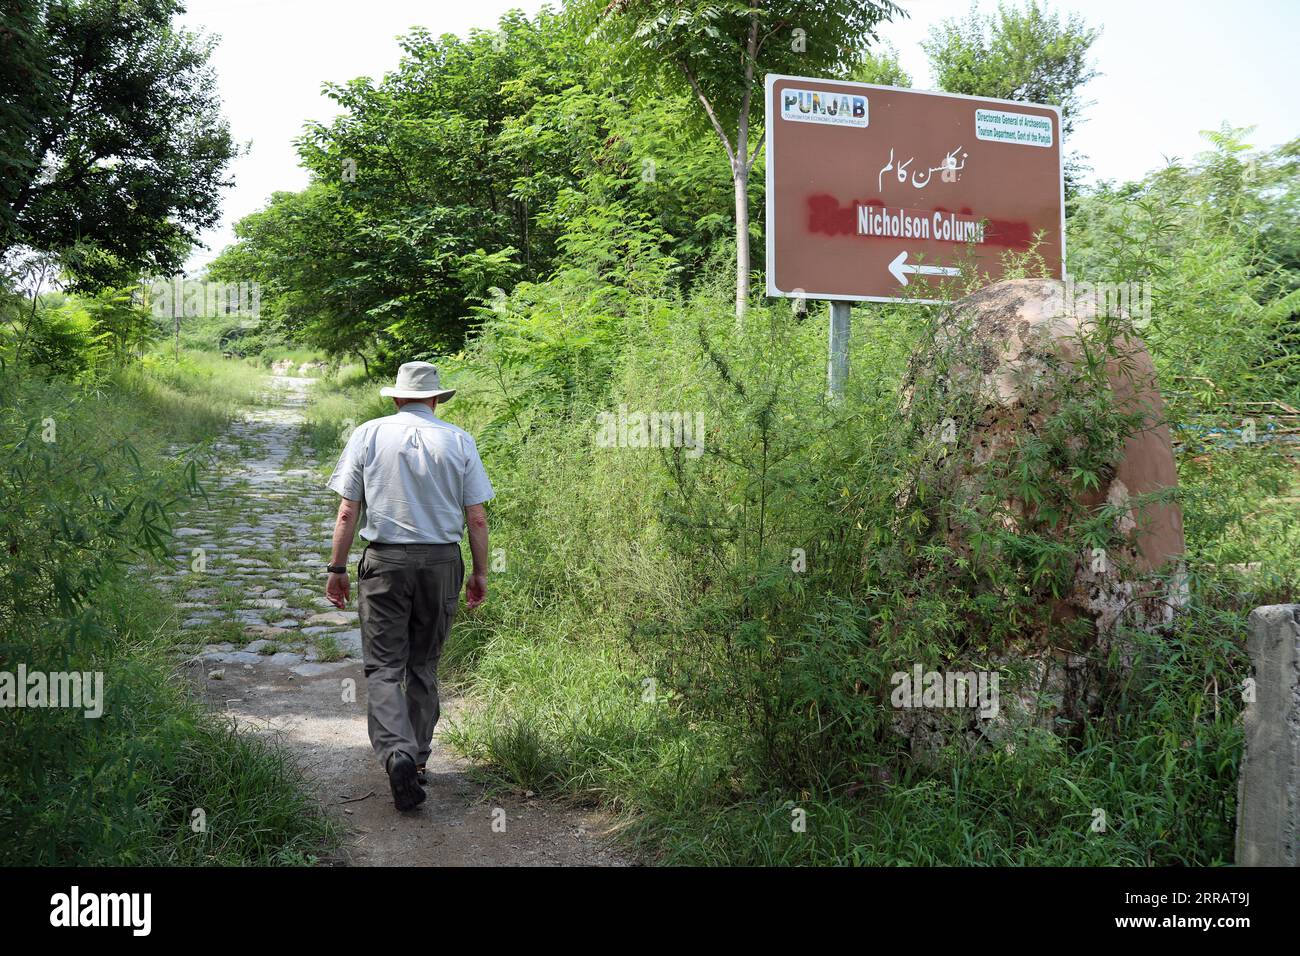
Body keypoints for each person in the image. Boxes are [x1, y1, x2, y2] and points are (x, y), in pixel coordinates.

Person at [323, 361, 493, 811]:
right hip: (440, 564)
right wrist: (480, 572)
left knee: (383, 667)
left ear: (396, 397)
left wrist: (337, 568)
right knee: (423, 664)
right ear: (437, 399)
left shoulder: (368, 434)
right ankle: (416, 761)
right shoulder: (459, 440)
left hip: (385, 563)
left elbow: (347, 511)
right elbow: (476, 516)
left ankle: (396, 752)